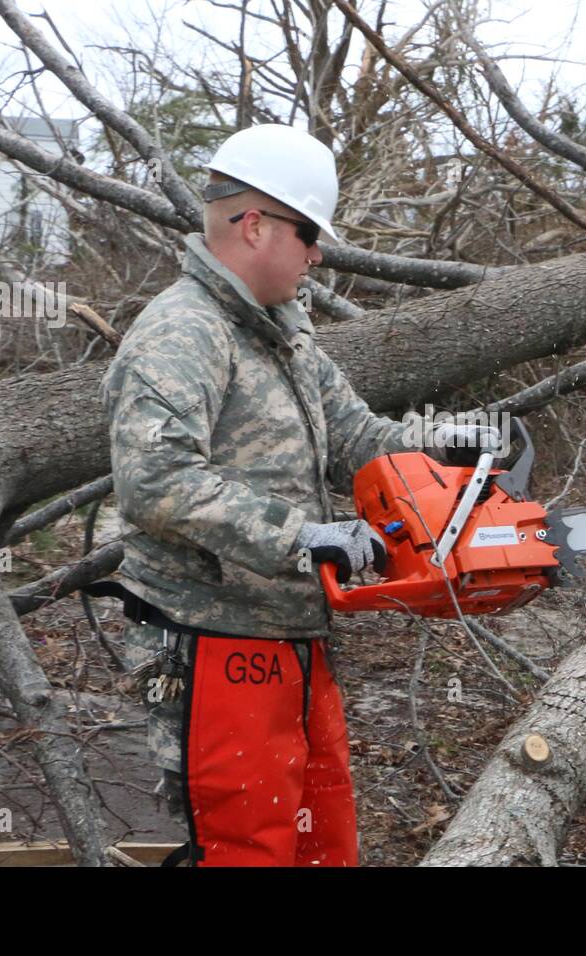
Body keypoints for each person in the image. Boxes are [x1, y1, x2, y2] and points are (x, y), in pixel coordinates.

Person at [99, 123, 502, 866]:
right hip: (213, 637)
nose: (317, 252)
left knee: (322, 840)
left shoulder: (283, 335)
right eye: (308, 231)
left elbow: (355, 436)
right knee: (245, 846)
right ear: (255, 225)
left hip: (295, 631)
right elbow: (156, 483)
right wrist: (304, 539)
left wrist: (444, 445)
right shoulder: (183, 333)